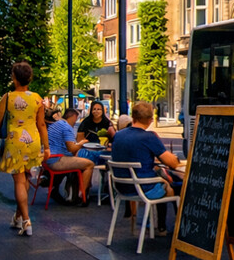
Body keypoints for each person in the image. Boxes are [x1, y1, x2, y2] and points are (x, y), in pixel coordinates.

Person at [112, 101, 182, 236]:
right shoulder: (148, 137)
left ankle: (160, 227)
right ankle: (174, 229)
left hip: (122, 188)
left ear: (133, 118)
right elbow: (172, 163)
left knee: (162, 181)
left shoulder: (118, 135)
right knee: (175, 187)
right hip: (144, 189)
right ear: (150, 120)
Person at [0, 61, 47, 235]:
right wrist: (46, 147)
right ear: (30, 78)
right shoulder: (37, 98)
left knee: (19, 181)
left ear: (14, 78)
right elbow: (41, 124)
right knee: (25, 179)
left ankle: (26, 221)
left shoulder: (7, 98)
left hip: (15, 141)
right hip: (33, 142)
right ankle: (18, 216)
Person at [46, 108, 97, 206]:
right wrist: (81, 143)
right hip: (56, 160)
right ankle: (81, 196)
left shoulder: (55, 124)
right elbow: (71, 148)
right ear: (74, 116)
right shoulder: (66, 127)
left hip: (48, 159)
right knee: (89, 164)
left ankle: (71, 193)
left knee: (78, 162)